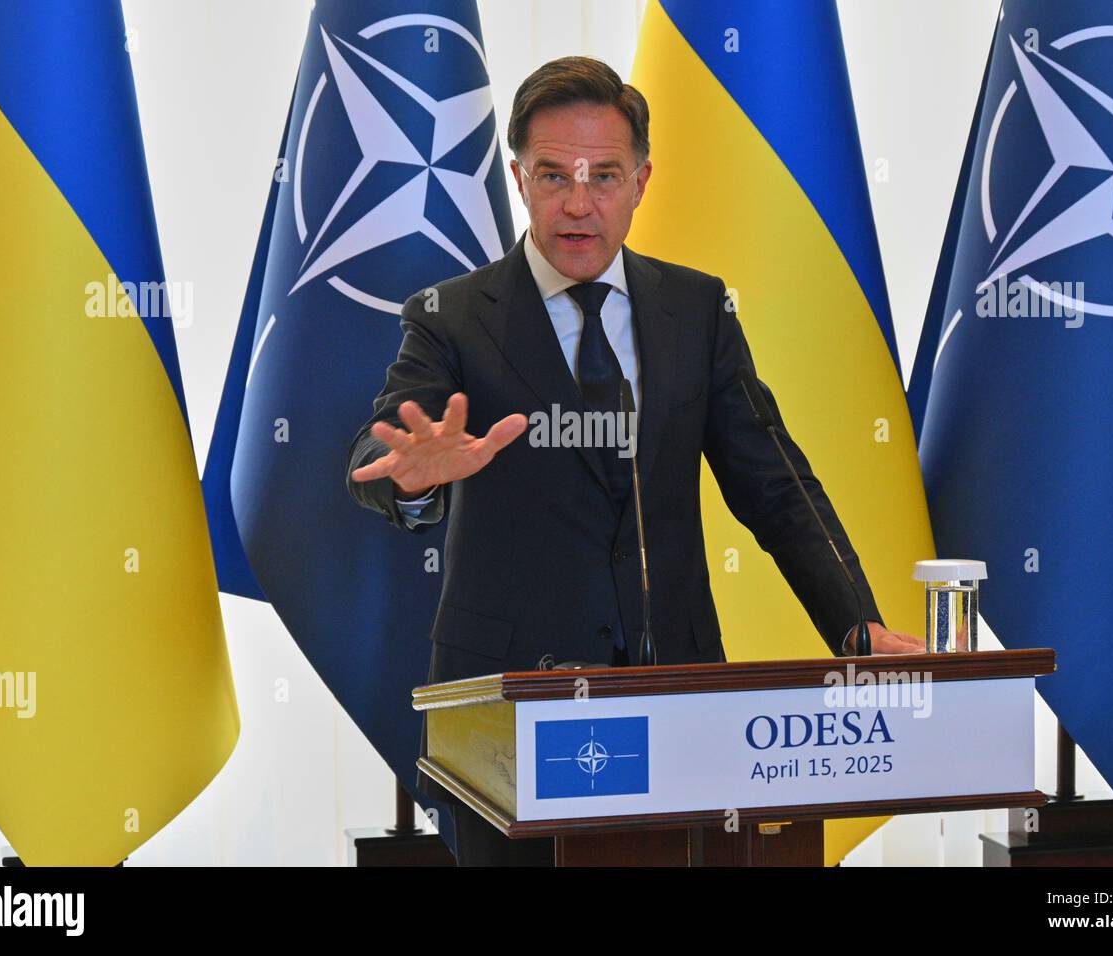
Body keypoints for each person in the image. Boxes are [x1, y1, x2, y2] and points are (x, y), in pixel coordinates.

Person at [346, 56, 922, 866]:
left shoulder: (697, 309)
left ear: (642, 179)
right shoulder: (451, 318)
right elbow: (380, 447)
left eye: (604, 176)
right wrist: (411, 477)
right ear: (518, 178)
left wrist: (854, 624)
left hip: (678, 700)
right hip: (506, 724)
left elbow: (776, 487)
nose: (578, 205)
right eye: (553, 176)